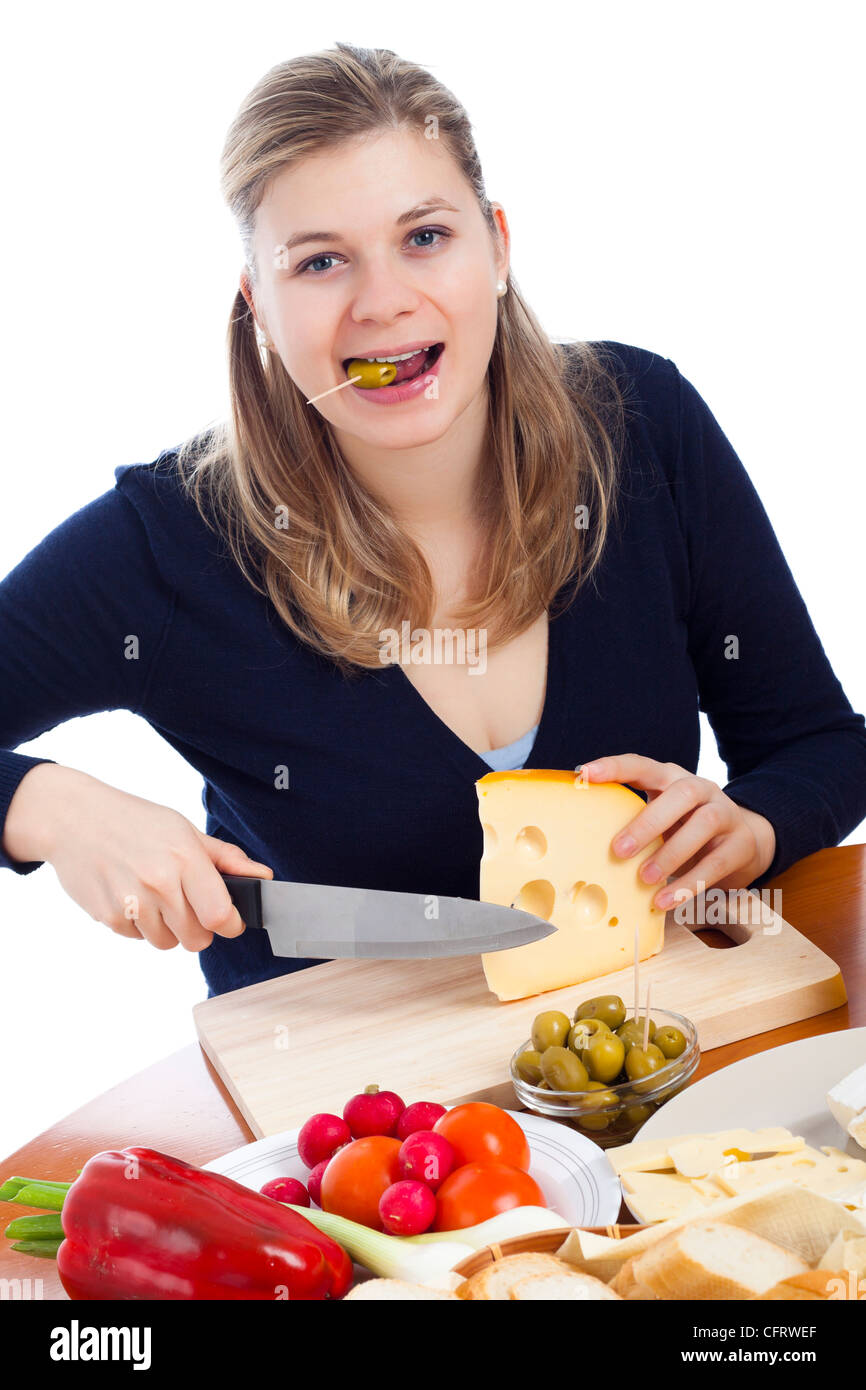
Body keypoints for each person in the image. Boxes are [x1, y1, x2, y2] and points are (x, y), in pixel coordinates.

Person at [2, 44, 865, 1000]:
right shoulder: (164, 546)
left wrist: (755, 823)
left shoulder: (642, 426)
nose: (383, 303)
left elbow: (820, 743)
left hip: (647, 1041)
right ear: (258, 302)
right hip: (346, 1122)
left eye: (425, 237)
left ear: (497, 246)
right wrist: (49, 807)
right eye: (320, 261)